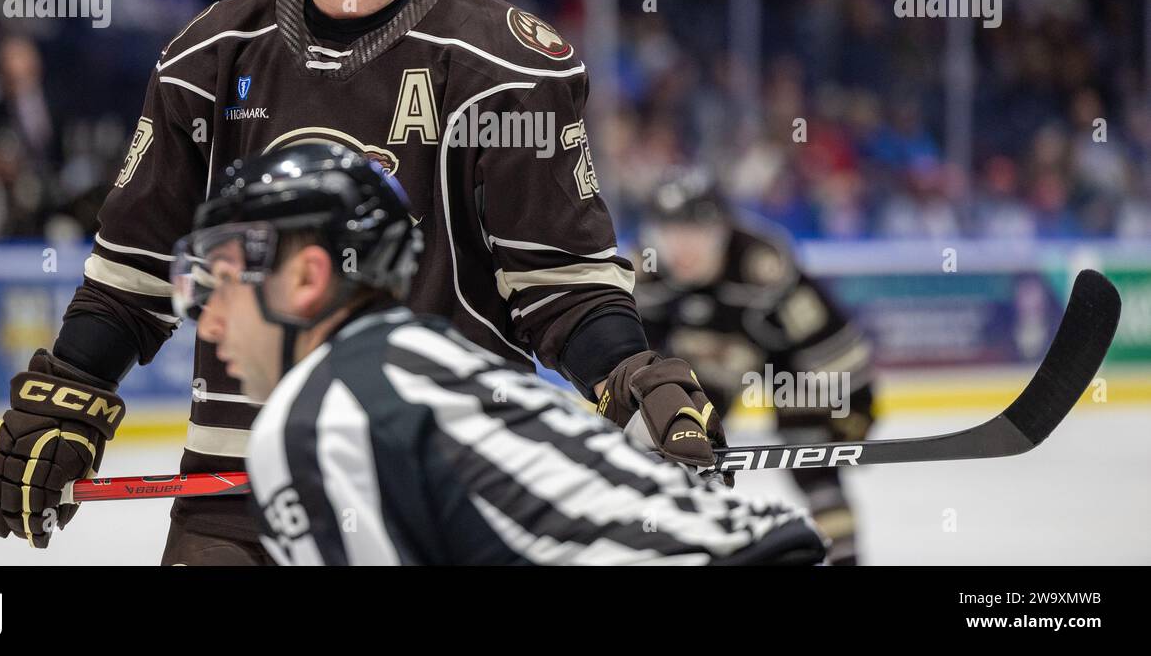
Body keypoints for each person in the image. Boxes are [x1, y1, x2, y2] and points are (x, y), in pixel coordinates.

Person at [0, 0, 726, 562]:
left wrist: (630, 384)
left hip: (437, 492)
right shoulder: (211, 53)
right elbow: (136, 269)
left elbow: (557, 288)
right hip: (239, 491)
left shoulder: (502, 65)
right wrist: (71, 392)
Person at [183, 143, 826, 565]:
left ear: (306, 278)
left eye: (224, 278)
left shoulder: (319, 415)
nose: (206, 321)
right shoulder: (435, 357)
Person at [635, 170, 876, 564]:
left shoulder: (763, 264)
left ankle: (845, 558)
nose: (682, 249)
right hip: (712, 368)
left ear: (724, 229)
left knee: (810, 452)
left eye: (696, 232)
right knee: (681, 438)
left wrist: (859, 406)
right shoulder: (643, 274)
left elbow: (833, 343)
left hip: (792, 366)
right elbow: (636, 362)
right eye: (670, 233)